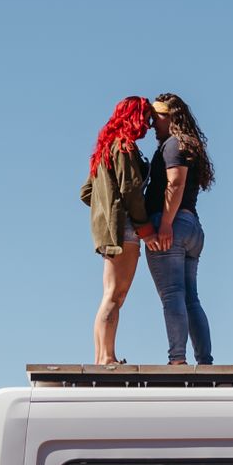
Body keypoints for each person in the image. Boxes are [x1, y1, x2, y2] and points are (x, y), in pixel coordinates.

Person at [81, 96, 156, 365]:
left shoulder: (103, 150)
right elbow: (130, 190)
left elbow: (86, 192)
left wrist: (105, 208)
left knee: (112, 293)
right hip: (126, 227)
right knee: (116, 294)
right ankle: (106, 357)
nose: (148, 123)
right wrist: (145, 228)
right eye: (146, 116)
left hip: (110, 228)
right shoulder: (124, 147)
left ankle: (102, 356)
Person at [142, 91, 215, 365]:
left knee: (173, 295)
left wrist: (165, 224)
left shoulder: (172, 145)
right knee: (191, 298)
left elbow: (175, 183)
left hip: (173, 226)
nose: (151, 124)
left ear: (170, 116)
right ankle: (204, 361)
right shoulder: (188, 145)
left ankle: (177, 360)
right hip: (192, 227)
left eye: (155, 117)